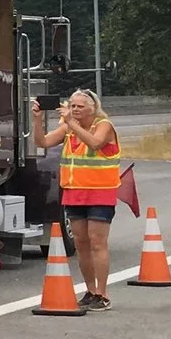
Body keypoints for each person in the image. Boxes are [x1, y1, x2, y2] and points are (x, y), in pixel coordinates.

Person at [36, 88, 121, 308]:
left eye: (80, 106)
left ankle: (102, 294)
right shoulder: (68, 128)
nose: (75, 110)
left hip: (100, 191)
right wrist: (37, 120)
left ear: (93, 108)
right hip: (74, 191)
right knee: (81, 243)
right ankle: (90, 291)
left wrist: (70, 123)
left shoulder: (104, 125)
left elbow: (95, 143)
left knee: (97, 242)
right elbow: (43, 142)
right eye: (72, 105)